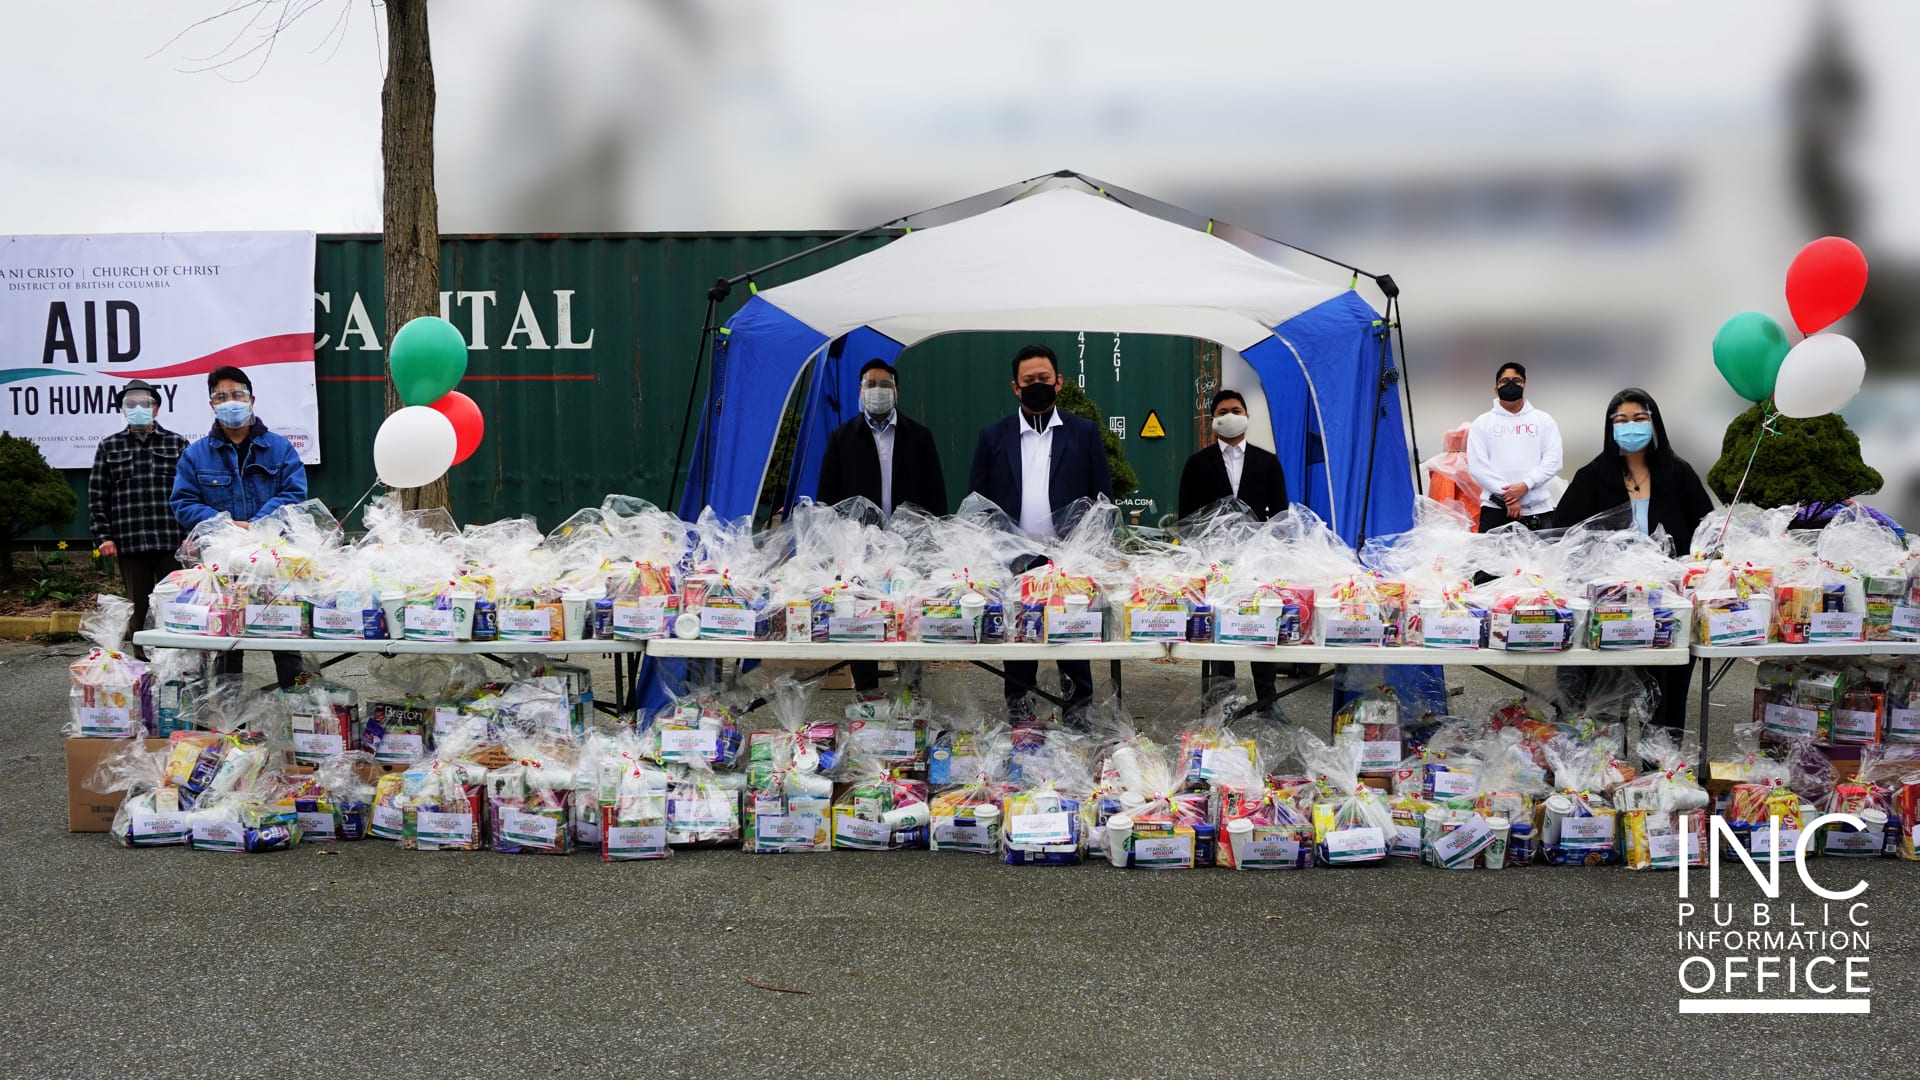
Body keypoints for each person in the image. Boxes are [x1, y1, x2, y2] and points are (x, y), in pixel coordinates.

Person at [1555, 387, 1715, 737]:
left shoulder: (1678, 473)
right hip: (1608, 607)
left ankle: (1659, 772)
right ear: (1610, 428)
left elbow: (1709, 531)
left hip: (1667, 605)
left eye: (1640, 419)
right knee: (1599, 697)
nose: (1631, 427)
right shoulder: (1592, 476)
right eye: (1622, 420)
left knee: (1666, 693)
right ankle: (1596, 766)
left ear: (1654, 423)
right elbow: (1564, 536)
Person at [968, 343, 1113, 720]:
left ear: (1059, 382)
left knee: (1072, 639)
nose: (1037, 385)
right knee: (1018, 644)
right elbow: (977, 504)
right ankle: (1020, 716)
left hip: (1068, 559)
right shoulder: (992, 438)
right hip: (1013, 560)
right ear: (1015, 387)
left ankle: (1077, 714)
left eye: (1044, 379)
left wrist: (1097, 554)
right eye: (1028, 380)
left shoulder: (1083, 434)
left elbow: (1102, 501)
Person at [815, 358, 948, 698]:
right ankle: (868, 695)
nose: (877, 392)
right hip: (861, 552)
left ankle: (911, 694)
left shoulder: (919, 437)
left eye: (884, 385)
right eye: (870, 385)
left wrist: (936, 542)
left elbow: (936, 496)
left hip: (910, 547)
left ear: (896, 391)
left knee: (909, 618)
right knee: (862, 617)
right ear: (860, 392)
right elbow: (828, 500)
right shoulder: (842, 438)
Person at [171, 366, 309, 688]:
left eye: (236, 395)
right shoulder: (195, 455)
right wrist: (226, 526)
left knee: (284, 634)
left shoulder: (280, 448)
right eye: (221, 397)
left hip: (274, 559)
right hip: (223, 561)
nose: (229, 402)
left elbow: (294, 494)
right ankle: (229, 711)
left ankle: (297, 703)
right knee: (226, 638)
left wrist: (258, 526)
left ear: (251, 400)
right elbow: (183, 502)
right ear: (211, 404)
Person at [1178, 389, 1288, 707]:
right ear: (1213, 420)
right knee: (1221, 626)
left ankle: (1268, 700)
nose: (1230, 416)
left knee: (1259, 623)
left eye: (1236, 409)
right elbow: (1186, 519)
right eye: (1222, 411)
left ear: (1247, 416)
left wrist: (1273, 554)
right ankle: (1222, 701)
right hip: (1215, 562)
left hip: (1257, 562)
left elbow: (1281, 516)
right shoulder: (1197, 464)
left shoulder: (1267, 462)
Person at [87, 379, 190, 655]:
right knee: (138, 610)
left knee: (177, 605)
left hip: (172, 541)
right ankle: (142, 667)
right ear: (122, 410)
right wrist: (103, 536)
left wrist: (190, 536)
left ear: (156, 409)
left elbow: (192, 491)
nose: (137, 409)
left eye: (144, 404)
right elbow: (98, 495)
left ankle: (179, 661)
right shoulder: (109, 447)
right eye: (130, 404)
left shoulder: (177, 443)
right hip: (129, 542)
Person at [1466, 362, 1562, 531]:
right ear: (1496, 388)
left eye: (1516, 380)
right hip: (1495, 511)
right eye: (1504, 381)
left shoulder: (1543, 420)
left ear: (1524, 385)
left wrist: (1525, 485)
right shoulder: (1482, 423)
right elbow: (1478, 466)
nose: (1510, 385)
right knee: (1492, 558)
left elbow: (1553, 461)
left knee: (1543, 558)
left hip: (1539, 511)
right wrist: (1509, 498)